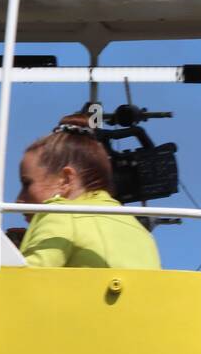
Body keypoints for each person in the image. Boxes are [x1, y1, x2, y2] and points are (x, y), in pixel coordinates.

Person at [14, 115, 162, 269]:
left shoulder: (59, 213)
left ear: (65, 180)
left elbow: (27, 281)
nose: (18, 200)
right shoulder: (142, 233)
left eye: (27, 184)